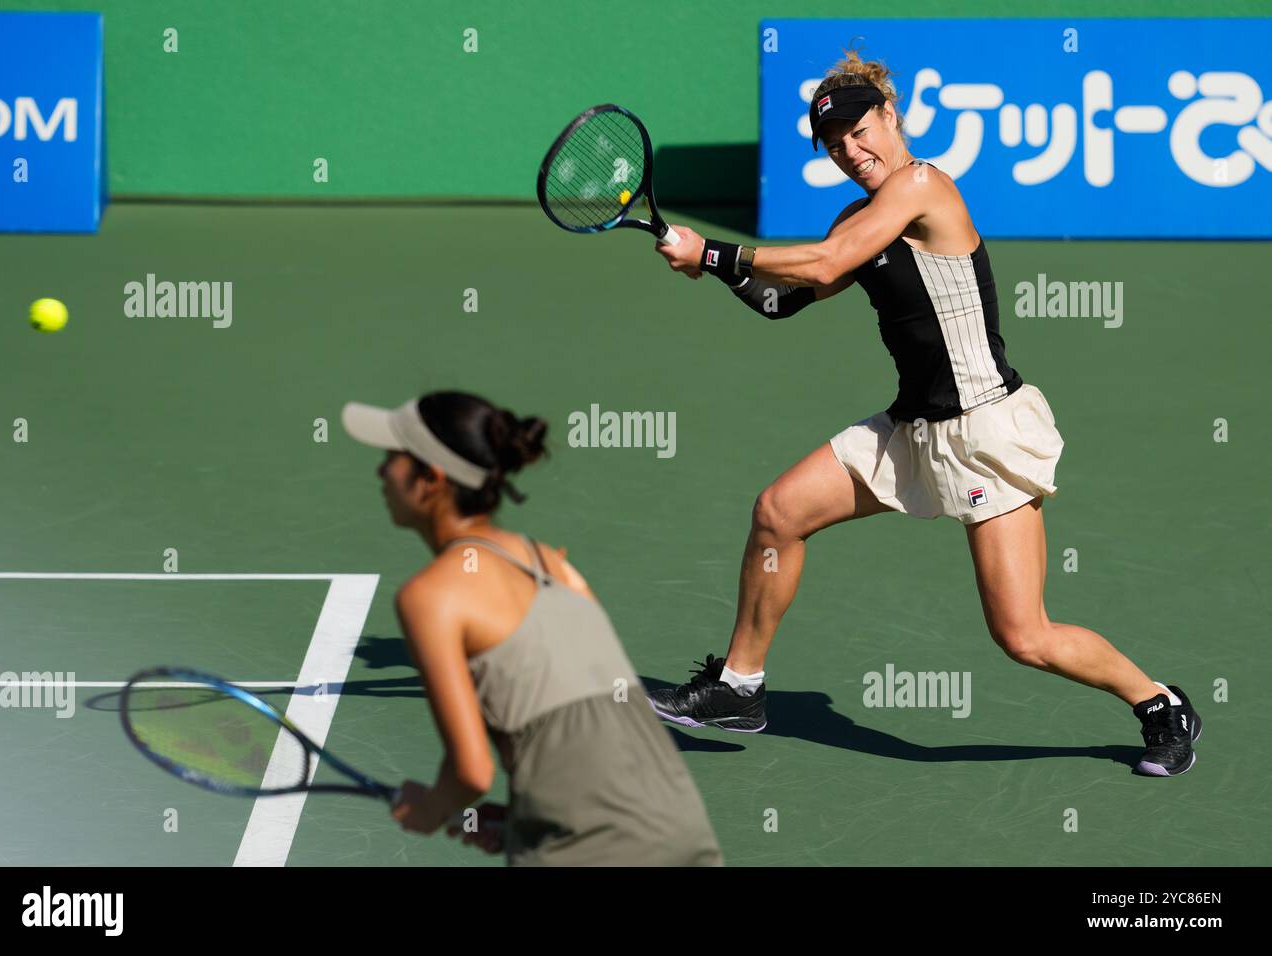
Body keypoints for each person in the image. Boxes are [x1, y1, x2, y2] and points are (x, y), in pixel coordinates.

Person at [648, 51, 1201, 777]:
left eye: (859, 132)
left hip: (984, 432)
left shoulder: (922, 185)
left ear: (889, 115)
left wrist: (717, 252)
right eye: (835, 145)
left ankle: (1159, 703)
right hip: (909, 430)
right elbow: (784, 298)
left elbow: (824, 262)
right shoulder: (859, 217)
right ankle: (739, 687)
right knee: (779, 512)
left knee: (1023, 635)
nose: (851, 151)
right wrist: (706, 267)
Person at [342, 390, 724, 862]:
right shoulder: (553, 564)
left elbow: (471, 772)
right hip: (680, 826)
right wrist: (522, 818)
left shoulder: (430, 596)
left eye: (392, 458)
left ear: (431, 479)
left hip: (591, 844)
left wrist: (428, 809)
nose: (381, 472)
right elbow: (601, 721)